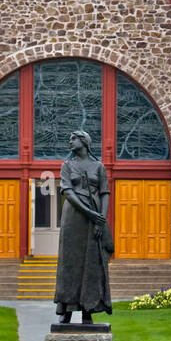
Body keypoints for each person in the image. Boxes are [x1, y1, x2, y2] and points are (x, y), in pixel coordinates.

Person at [54, 130, 113, 324]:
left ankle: (89, 309)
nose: (69, 142)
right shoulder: (67, 166)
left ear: (84, 141)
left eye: (73, 138)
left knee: (92, 261)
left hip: (95, 216)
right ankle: (67, 309)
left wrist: (101, 220)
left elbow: (105, 193)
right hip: (74, 215)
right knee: (69, 262)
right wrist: (90, 214)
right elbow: (68, 192)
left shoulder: (99, 167)